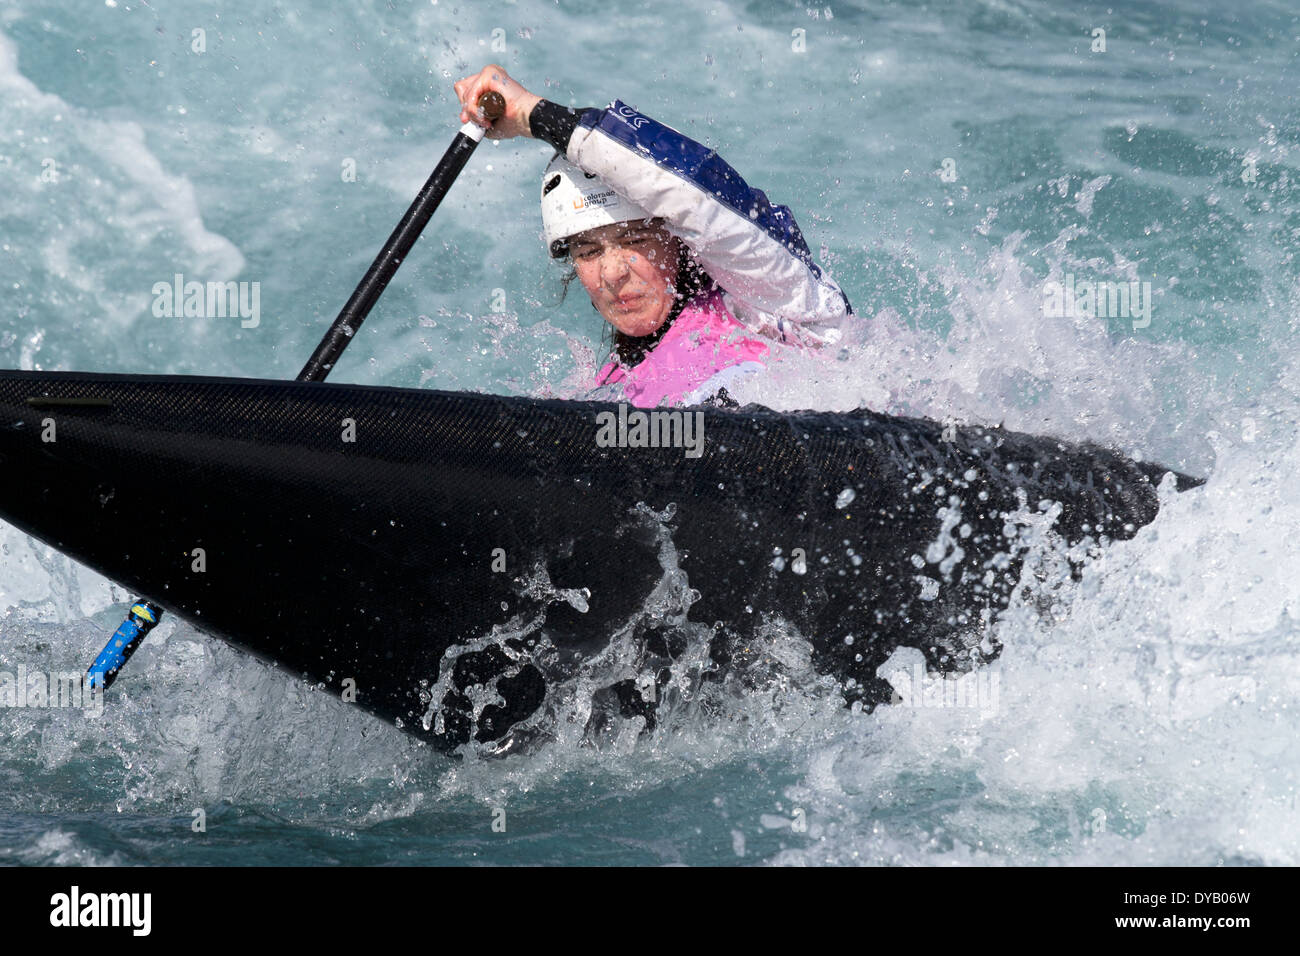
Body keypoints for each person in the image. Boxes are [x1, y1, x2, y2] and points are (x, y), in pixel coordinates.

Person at [454, 65, 852, 408]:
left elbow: (696, 196)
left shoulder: (779, 304)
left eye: (635, 241)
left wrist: (533, 114)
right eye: (589, 251)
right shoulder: (614, 388)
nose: (611, 273)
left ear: (683, 241)